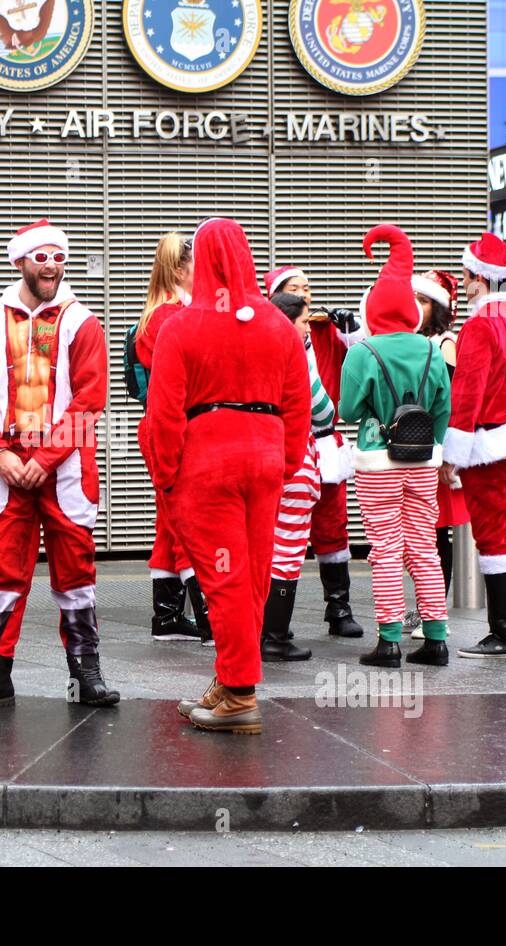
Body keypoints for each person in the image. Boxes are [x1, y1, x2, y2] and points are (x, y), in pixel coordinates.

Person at [148, 218, 311, 734]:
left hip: (208, 459)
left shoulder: (181, 325)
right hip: (264, 459)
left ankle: (240, 693)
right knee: (255, 572)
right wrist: (284, 462)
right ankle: (231, 676)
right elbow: (298, 403)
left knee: (223, 579)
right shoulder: (278, 325)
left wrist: (165, 475)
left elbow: (164, 413)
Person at [0, 220, 118, 709]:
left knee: (76, 571)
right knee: (6, 572)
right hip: (7, 467)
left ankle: (86, 670)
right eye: (41, 257)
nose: (51, 265)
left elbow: (91, 399)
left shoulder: (82, 321)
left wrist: (45, 458)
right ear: (19, 261)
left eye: (58, 257)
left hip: (65, 468)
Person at [339, 225, 451, 668]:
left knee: (385, 549)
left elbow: (348, 409)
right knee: (424, 546)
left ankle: (388, 641)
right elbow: (443, 409)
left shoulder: (363, 351)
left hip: (376, 459)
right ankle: (436, 638)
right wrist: (432, 443)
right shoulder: (431, 351)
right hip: (422, 458)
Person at [442, 232, 506, 660]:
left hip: (489, 443)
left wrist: (452, 455)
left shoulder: (480, 325)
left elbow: (467, 394)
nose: (464, 284)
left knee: (494, 534)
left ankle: (505, 632)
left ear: (477, 278)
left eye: (466, 275)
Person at [265, 265, 366, 638]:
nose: (306, 293)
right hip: (292, 441)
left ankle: (339, 607)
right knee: (285, 535)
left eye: (308, 287)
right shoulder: (278, 332)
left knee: (333, 524)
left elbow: (364, 355)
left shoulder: (324, 327)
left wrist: (352, 329)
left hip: (325, 441)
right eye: (296, 287)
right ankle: (275, 624)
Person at [134, 232, 211, 643]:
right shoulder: (174, 317)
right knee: (187, 521)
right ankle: (206, 614)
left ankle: (166, 617)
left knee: (169, 520)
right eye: (197, 265)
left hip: (163, 424)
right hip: (174, 426)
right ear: (181, 270)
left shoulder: (158, 315)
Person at [256, 288, 335, 663]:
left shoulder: (256, 349)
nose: (309, 328)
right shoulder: (296, 354)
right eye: (305, 321)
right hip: (295, 460)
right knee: (287, 549)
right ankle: (275, 635)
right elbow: (323, 410)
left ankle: (264, 629)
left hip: (262, 460)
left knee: (265, 547)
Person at [411, 269, 470, 636]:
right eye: (414, 299)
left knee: (435, 533)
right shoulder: (414, 339)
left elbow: (448, 398)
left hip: (435, 446)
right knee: (416, 533)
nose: (417, 306)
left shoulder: (445, 341)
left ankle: (433, 612)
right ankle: (422, 610)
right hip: (415, 445)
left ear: (439, 307)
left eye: (424, 300)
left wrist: (448, 453)